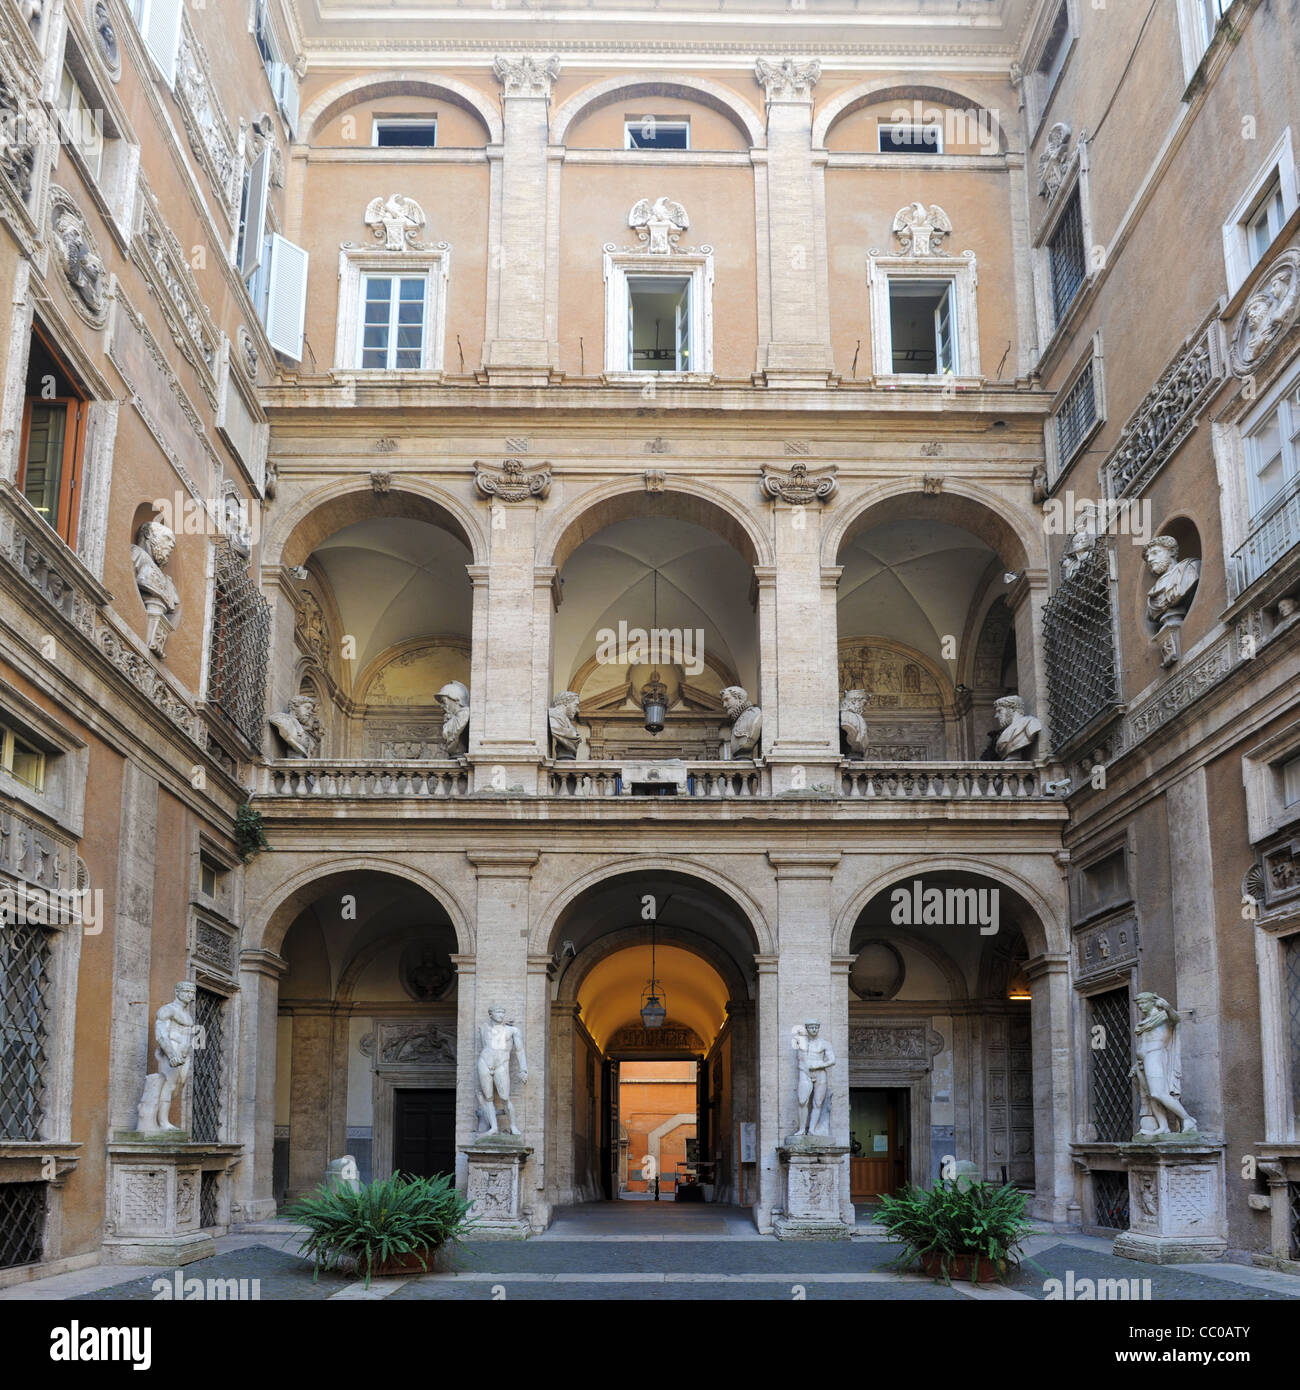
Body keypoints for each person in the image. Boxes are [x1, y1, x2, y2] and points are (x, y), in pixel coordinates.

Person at [1131, 991, 1197, 1135]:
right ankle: (1163, 1127)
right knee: (1150, 1096)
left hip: (1155, 1056)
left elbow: (1176, 1019)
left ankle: (1187, 1119)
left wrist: (1167, 1007)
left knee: (1158, 1092)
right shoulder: (1144, 1022)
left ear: (1152, 1002)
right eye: (1139, 1004)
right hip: (1143, 1060)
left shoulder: (1164, 1016)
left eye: (1143, 1003)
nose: (1141, 1006)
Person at [477, 1005, 528, 1136]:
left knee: (505, 1097)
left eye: (502, 1012)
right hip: (484, 1062)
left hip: (502, 1064)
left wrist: (523, 1069)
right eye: (497, 1012)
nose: (500, 1014)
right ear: (491, 1014)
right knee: (488, 1098)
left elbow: (520, 1050)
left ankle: (513, 1126)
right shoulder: (484, 1028)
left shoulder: (512, 1030)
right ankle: (493, 1127)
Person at [792, 1020, 835, 1138]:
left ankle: (811, 1129)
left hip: (820, 1073)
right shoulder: (801, 1043)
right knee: (802, 1101)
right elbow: (800, 1060)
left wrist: (817, 1065)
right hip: (805, 1072)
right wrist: (807, 1071)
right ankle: (801, 1129)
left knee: (818, 1103)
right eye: (811, 1027)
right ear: (807, 1028)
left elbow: (832, 1060)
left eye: (816, 1027)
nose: (814, 1029)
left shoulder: (824, 1043)